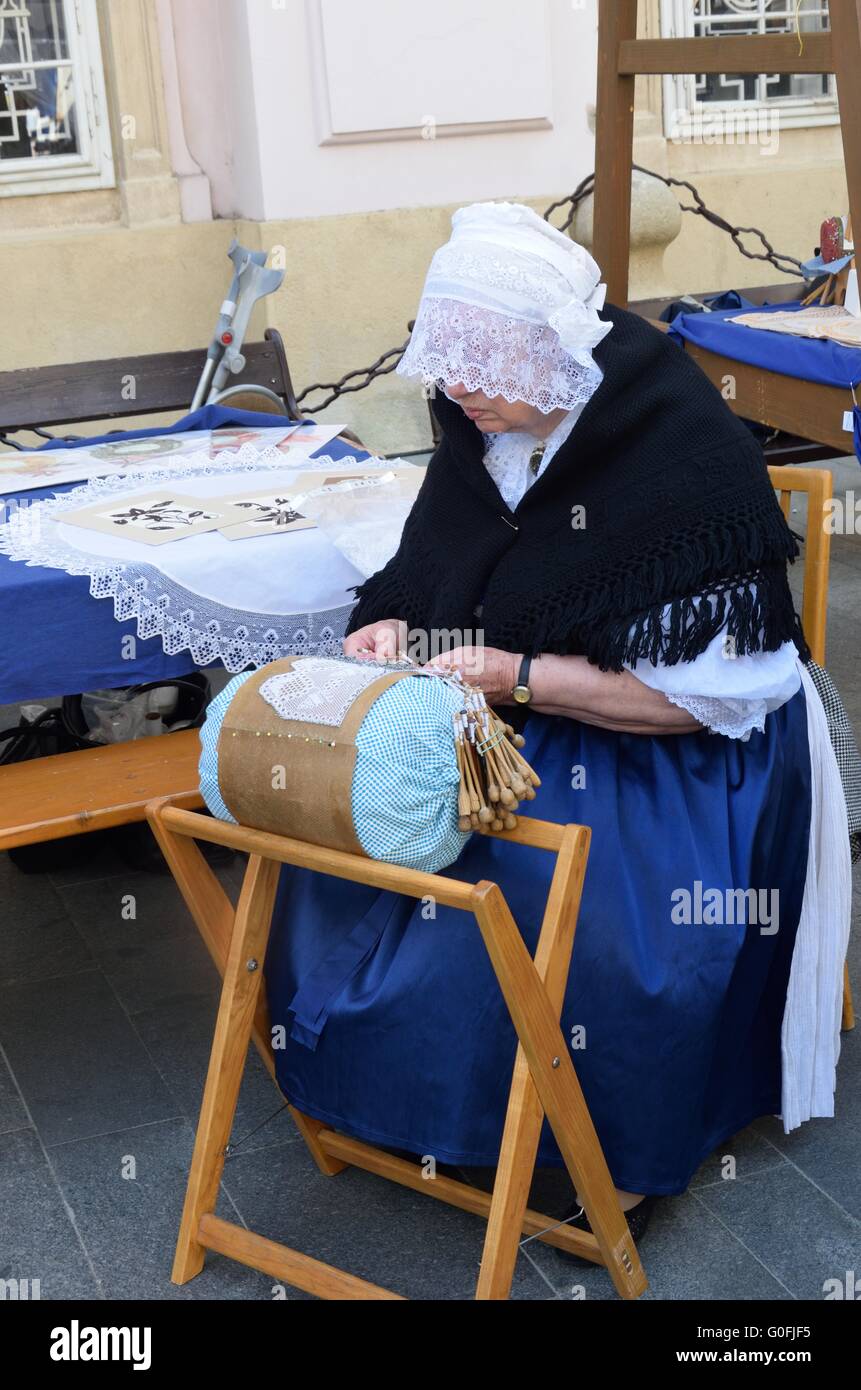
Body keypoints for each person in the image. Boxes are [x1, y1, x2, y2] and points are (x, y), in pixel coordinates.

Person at [265, 202, 850, 1252]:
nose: (459, 392)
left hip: (684, 745)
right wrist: (400, 629)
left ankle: (592, 1150)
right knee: (365, 821)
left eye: (482, 368)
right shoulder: (483, 426)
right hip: (521, 706)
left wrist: (521, 674)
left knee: (556, 895)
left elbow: (712, 695)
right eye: (449, 365)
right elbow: (458, 575)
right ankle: (418, 1107)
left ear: (552, 353)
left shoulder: (676, 447)